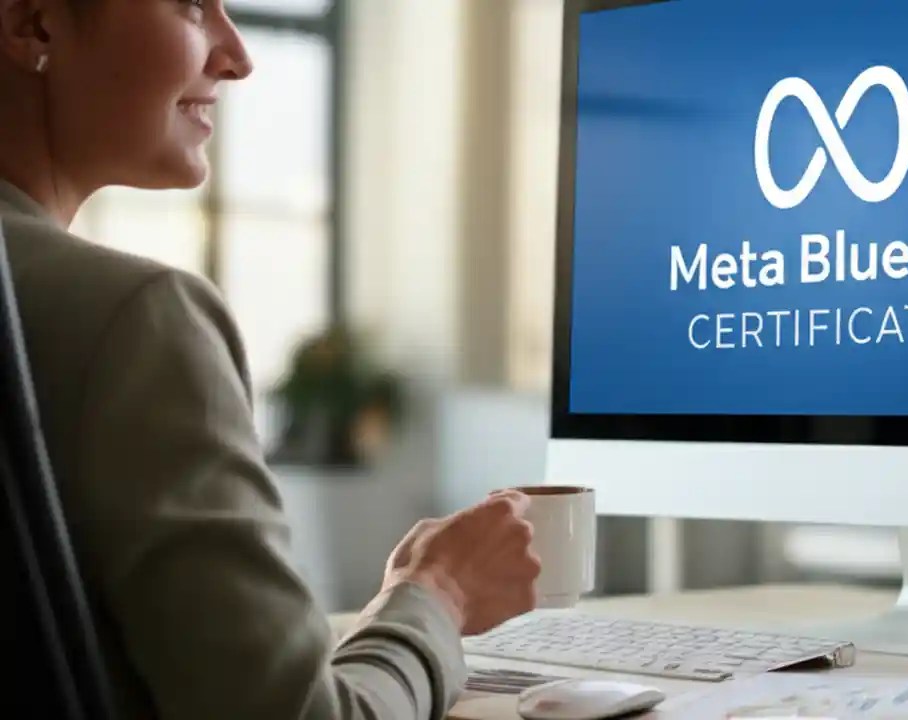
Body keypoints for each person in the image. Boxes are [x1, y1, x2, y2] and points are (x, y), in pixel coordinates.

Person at [0, 0, 541, 718]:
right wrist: (437, 594)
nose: (237, 56)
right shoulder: (138, 321)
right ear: (33, 22)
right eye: (192, 7)